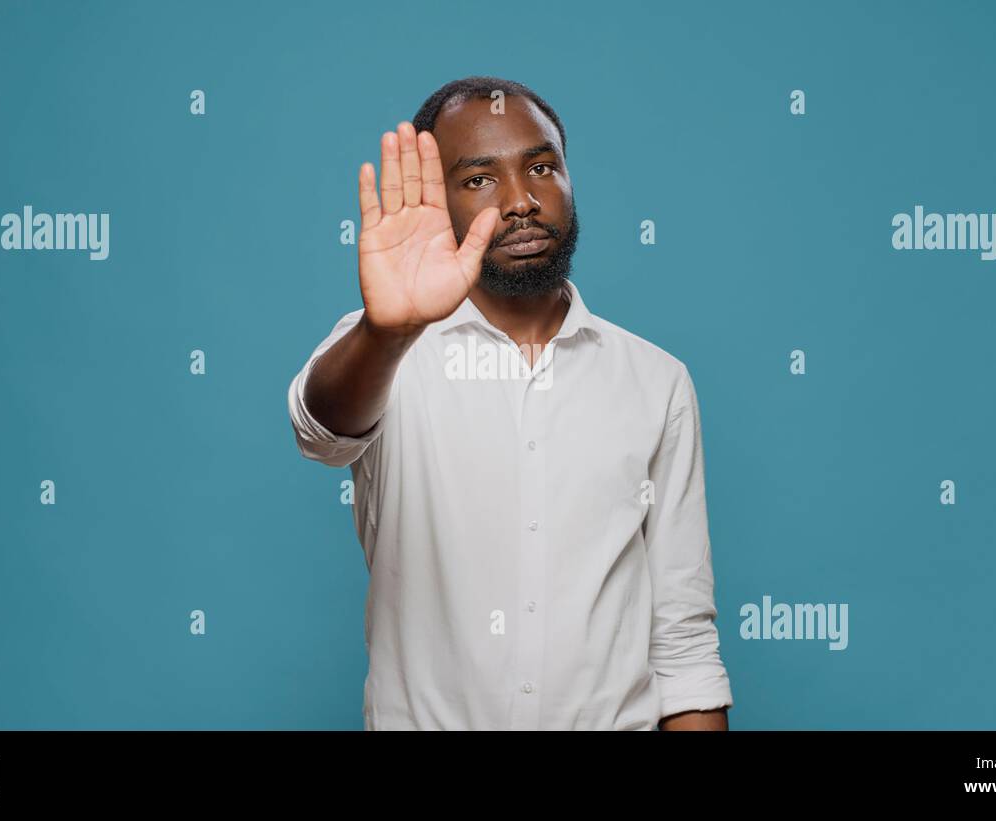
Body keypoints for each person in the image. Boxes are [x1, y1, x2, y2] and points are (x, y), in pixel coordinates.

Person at [288, 76, 733, 730]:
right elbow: (322, 428)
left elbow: (684, 641)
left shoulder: (657, 380)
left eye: (542, 167)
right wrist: (388, 331)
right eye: (478, 179)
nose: (522, 201)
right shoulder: (384, 352)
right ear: (436, 202)